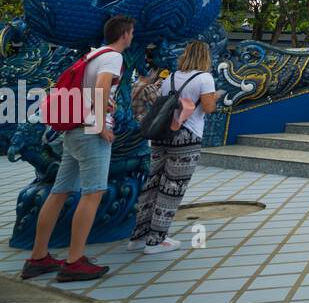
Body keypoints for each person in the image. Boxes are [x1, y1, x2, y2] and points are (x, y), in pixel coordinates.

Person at [23, 15, 134, 282]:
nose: (132, 37)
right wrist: (100, 126)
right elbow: (101, 87)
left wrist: (105, 107)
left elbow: (94, 91)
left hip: (72, 131)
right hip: (89, 133)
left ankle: (38, 257)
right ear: (125, 34)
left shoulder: (94, 55)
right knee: (93, 193)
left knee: (59, 191)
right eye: (131, 33)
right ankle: (74, 261)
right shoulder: (114, 58)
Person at [127, 41, 218, 254]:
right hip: (186, 137)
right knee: (172, 188)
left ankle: (138, 237)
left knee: (153, 184)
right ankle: (157, 240)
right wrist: (215, 98)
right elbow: (208, 107)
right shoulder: (204, 78)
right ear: (205, 57)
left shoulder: (171, 77)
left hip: (162, 134)